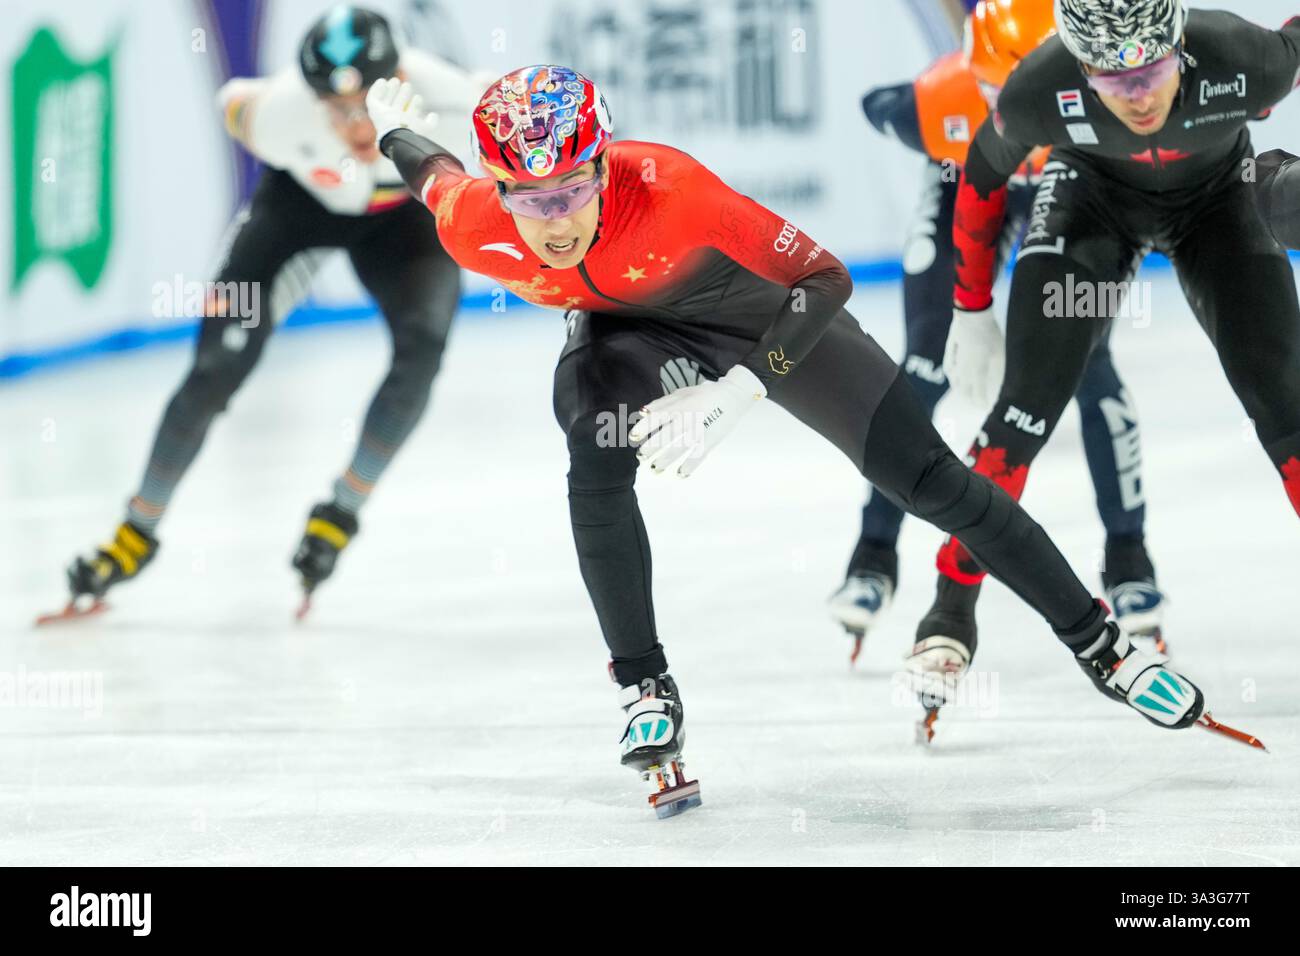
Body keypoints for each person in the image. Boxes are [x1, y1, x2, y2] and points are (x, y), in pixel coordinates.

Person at [366, 64, 1210, 814]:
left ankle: (1105, 650)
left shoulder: (672, 189)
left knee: (932, 484)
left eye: (572, 192)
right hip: (629, 338)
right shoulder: (472, 223)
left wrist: (740, 388)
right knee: (593, 451)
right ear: (498, 188)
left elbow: (826, 277)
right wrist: (391, 128)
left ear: (604, 165)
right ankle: (643, 685)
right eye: (529, 198)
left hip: (764, 322)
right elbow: (431, 174)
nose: (553, 222)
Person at [56, 6, 486, 619]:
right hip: (298, 211)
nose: (355, 125)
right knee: (213, 369)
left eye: (368, 104)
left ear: (404, 84)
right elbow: (234, 100)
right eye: (337, 109)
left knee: (423, 348)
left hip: (404, 227)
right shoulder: (278, 113)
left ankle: (342, 512)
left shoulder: (454, 101)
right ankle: (134, 533)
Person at [916, 0, 1300, 665]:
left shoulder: (1243, 56)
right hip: (1090, 209)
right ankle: (950, 611)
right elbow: (980, 178)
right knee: (1023, 412)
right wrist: (970, 308)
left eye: (1150, 74)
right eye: (1111, 82)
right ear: (1078, 66)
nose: (1137, 100)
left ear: (1181, 46)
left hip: (1219, 206)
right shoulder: (1040, 85)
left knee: (1286, 406)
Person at [829, 0, 1164, 659]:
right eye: (996, 92)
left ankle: (1129, 553)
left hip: (1071, 188)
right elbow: (880, 107)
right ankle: (873, 550)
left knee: (1088, 365)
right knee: (926, 363)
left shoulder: (1113, 96)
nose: (1019, 113)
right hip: (964, 178)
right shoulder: (939, 102)